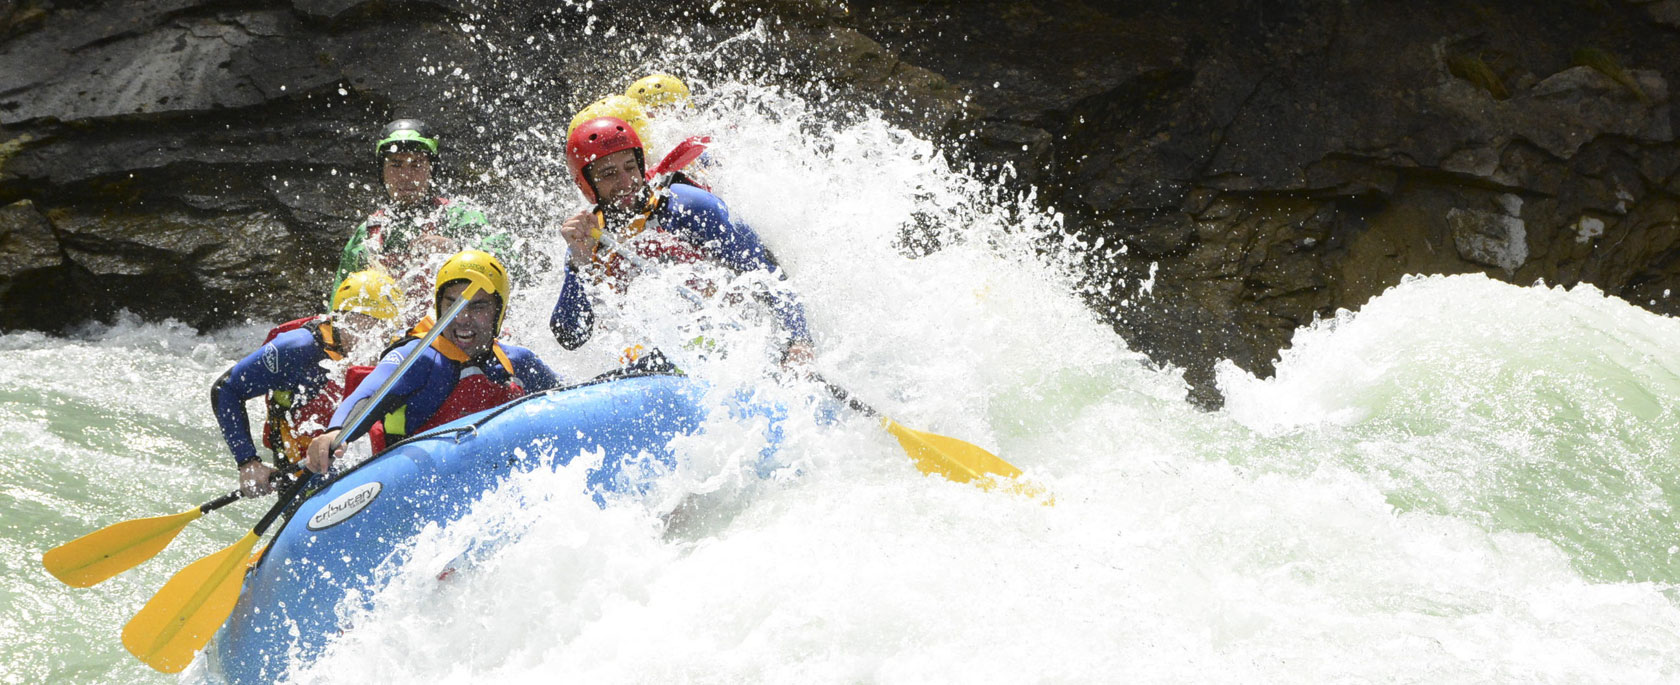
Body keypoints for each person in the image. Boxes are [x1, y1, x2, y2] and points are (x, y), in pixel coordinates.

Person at [550, 116, 813, 366]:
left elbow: (767, 272)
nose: (625, 181)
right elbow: (571, 337)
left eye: (630, 167)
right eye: (608, 174)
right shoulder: (590, 239)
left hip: (728, 341)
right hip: (655, 360)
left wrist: (798, 342)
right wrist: (578, 265)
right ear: (586, 184)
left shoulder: (688, 206)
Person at [307, 250, 562, 473]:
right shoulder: (418, 357)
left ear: (499, 312)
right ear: (440, 307)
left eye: (478, 307)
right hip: (419, 487)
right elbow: (371, 391)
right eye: (452, 303)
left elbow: (568, 399)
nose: (462, 318)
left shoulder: (517, 362)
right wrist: (336, 431)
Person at [212, 270, 403, 496]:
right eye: (365, 325)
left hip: (353, 467)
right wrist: (248, 462)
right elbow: (226, 389)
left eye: (382, 328)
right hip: (298, 473)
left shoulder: (396, 349)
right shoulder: (296, 349)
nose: (374, 337)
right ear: (343, 319)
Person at [332, 118, 517, 310]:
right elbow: (339, 306)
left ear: (431, 170)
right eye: (396, 165)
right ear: (383, 171)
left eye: (416, 165)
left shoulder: (459, 217)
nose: (406, 176)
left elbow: (509, 265)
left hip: (450, 333)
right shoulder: (368, 234)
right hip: (392, 336)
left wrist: (456, 249)